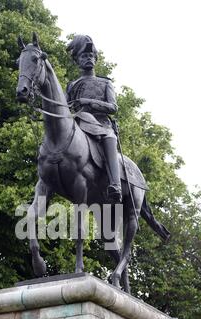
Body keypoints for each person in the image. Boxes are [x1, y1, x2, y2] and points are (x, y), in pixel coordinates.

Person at [66, 35, 122, 203]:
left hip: (101, 124)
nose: (88, 59)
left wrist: (89, 102)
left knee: (110, 138)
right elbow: (64, 108)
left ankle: (115, 185)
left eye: (91, 56)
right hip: (78, 126)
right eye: (84, 56)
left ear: (96, 59)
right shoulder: (72, 85)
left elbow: (113, 107)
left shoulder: (105, 83)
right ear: (77, 60)